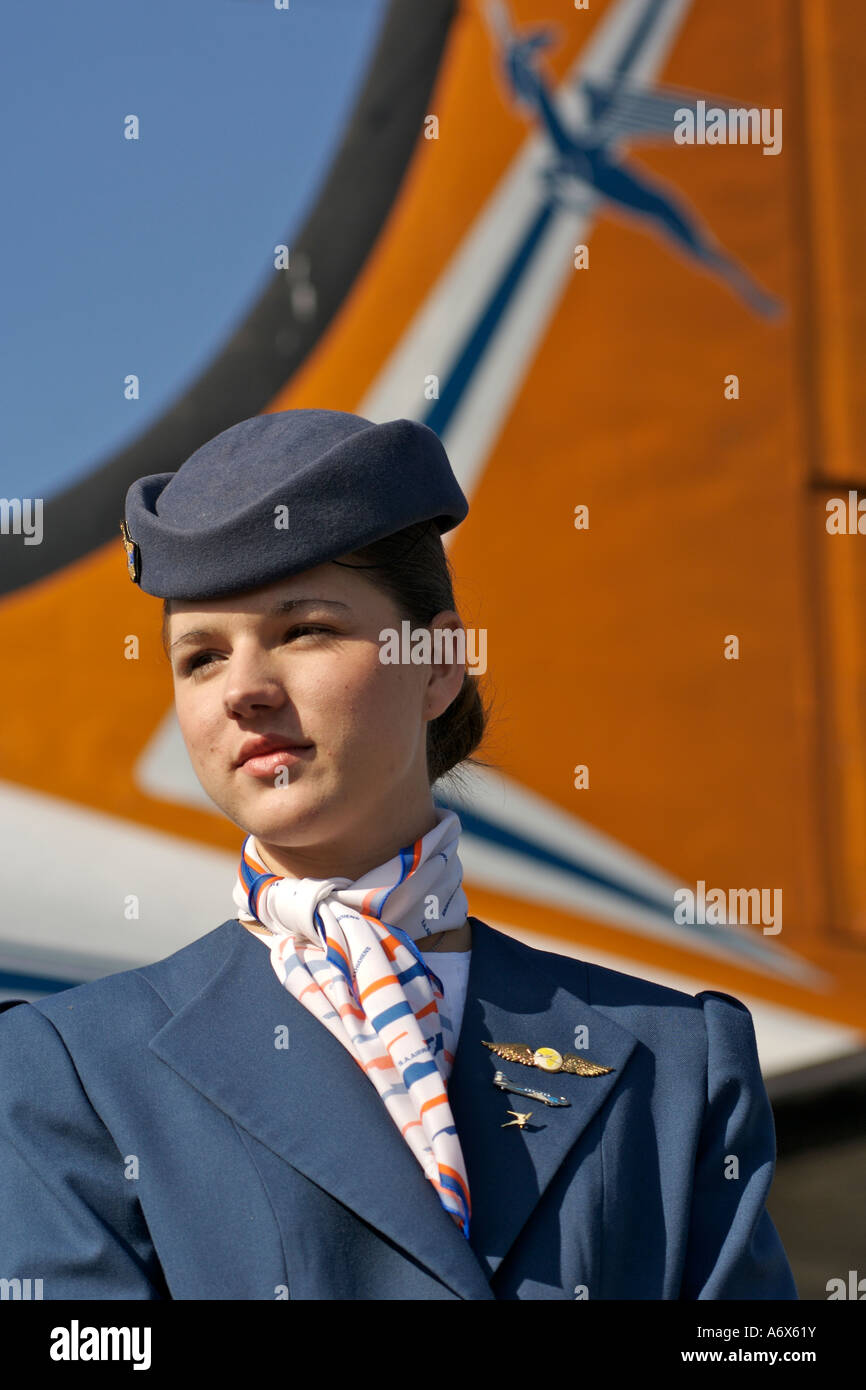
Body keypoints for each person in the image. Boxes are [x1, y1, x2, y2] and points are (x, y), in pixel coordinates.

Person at [0, 409, 798, 1300]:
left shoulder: (679, 1063)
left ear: (441, 663)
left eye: (304, 629)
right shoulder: (73, 1073)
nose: (244, 693)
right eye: (201, 658)